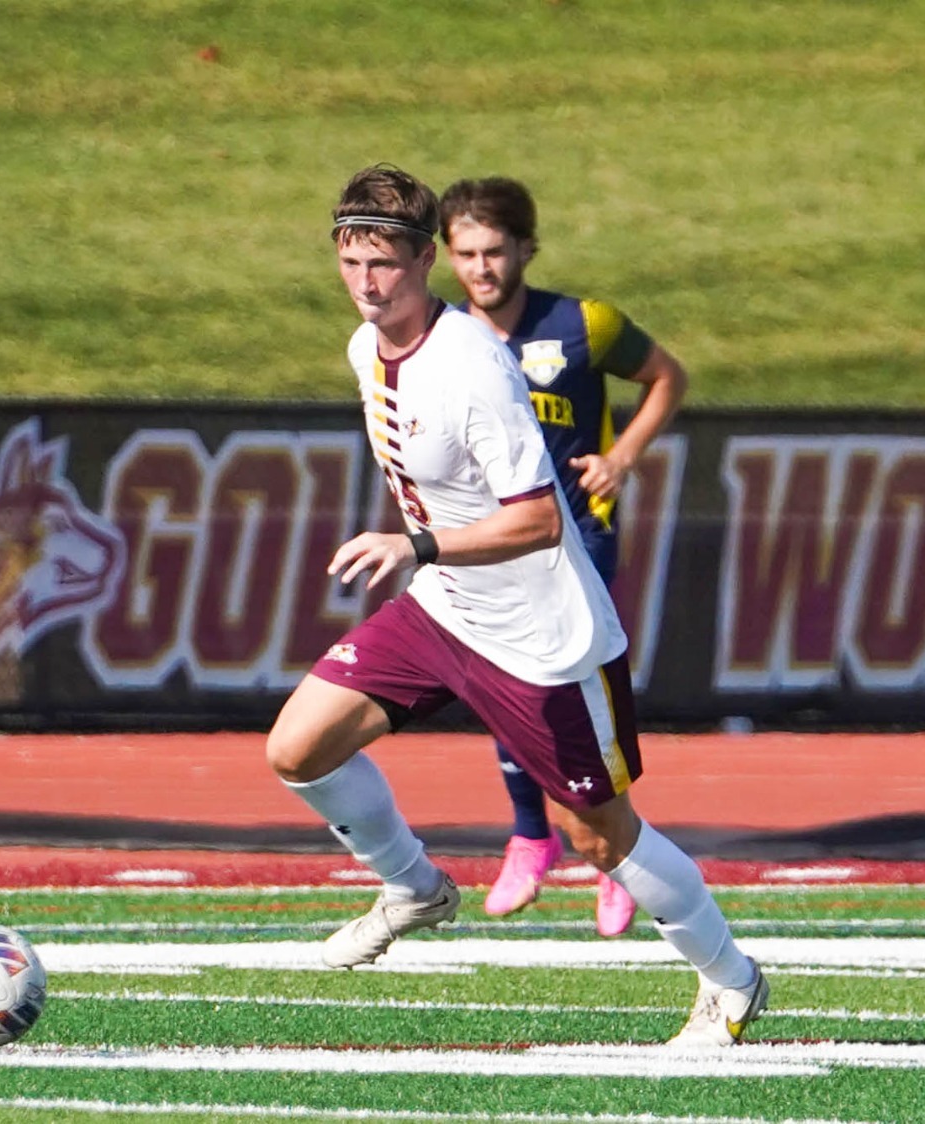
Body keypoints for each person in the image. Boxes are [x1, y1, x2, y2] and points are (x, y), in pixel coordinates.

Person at [265, 163, 767, 1046]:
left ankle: (732, 978)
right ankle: (414, 887)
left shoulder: (473, 367)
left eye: (383, 262)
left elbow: (537, 522)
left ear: (424, 262)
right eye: (350, 262)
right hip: (447, 607)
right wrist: (425, 560)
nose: (366, 282)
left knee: (599, 837)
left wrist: (411, 545)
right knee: (298, 747)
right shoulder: (364, 347)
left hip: (543, 639)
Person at [437, 177, 690, 938]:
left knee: (576, 692)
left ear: (525, 249)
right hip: (489, 541)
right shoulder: (444, 335)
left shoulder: (582, 323)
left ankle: (616, 854)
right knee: (498, 686)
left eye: (495, 251)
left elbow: (666, 377)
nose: (482, 269)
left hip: (580, 535)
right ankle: (530, 835)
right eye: (466, 253)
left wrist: (625, 459)